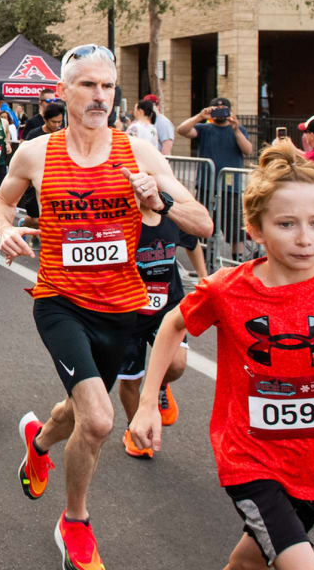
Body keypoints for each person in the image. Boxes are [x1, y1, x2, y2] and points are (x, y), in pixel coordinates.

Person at [131, 142, 314, 570]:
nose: (305, 238)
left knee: (250, 561)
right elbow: (174, 322)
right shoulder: (229, 288)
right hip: (249, 459)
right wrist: (147, 402)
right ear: (255, 229)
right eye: (286, 224)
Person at [0, 43, 212, 570]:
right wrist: (3, 230)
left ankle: (39, 441)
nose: (99, 96)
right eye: (87, 85)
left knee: (78, 412)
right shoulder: (36, 153)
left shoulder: (139, 153)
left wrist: (158, 200)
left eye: (107, 86)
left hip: (124, 309)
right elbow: (2, 200)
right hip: (61, 302)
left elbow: (202, 223)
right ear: (63, 92)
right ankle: (76, 523)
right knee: (99, 420)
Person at [114, 197, 207, 459]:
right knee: (131, 379)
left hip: (167, 307)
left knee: (176, 364)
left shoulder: (172, 218)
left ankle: (159, 388)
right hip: (128, 312)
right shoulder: (120, 221)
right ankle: (134, 429)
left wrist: (203, 278)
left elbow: (193, 241)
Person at [177, 96, 253, 173]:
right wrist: (200, 116)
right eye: (216, 110)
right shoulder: (203, 128)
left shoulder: (239, 129)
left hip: (230, 178)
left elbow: (248, 151)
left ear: (230, 111)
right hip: (206, 179)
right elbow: (181, 130)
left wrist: (236, 130)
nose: (220, 113)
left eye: (223, 110)